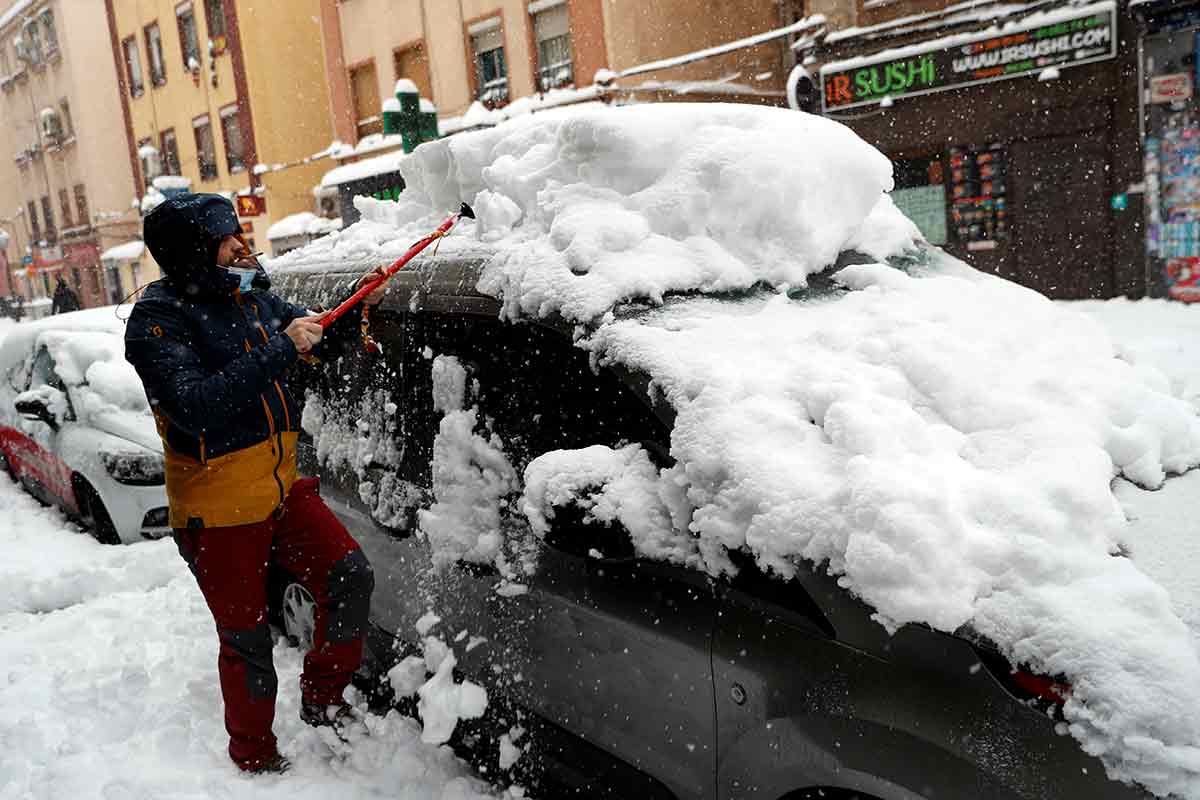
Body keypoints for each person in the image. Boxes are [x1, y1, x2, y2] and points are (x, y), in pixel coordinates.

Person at [124, 193, 386, 774]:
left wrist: (350, 312)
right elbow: (195, 404)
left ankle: (323, 701)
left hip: (280, 486)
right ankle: (255, 756)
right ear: (194, 253)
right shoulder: (158, 321)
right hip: (217, 510)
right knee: (247, 639)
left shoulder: (251, 295)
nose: (243, 244)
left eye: (240, 233)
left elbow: (311, 338)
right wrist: (280, 349)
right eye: (227, 239)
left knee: (349, 576)